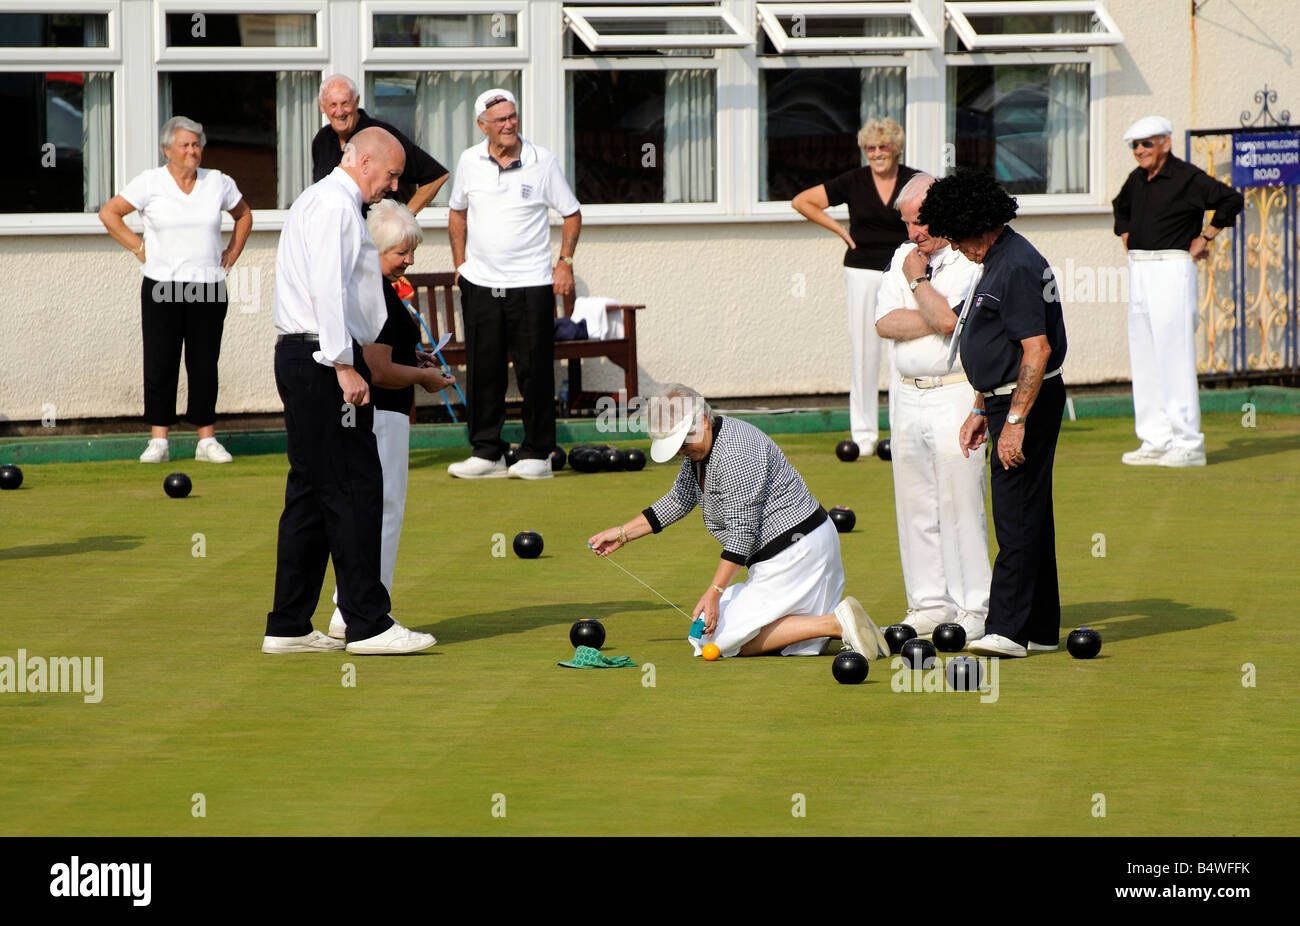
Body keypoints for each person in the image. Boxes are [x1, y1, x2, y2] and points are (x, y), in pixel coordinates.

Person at [262, 127, 436, 656]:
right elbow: (327, 288)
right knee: (356, 489)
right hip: (321, 359)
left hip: (305, 356)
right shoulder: (336, 207)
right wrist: (343, 364)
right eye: (391, 175)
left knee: (311, 496)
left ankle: (288, 625)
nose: (394, 186)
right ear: (363, 162)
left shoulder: (321, 202)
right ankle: (368, 624)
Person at [587, 385, 888, 660]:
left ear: (702, 421)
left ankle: (834, 623)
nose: (681, 452)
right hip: (799, 550)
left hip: (795, 555)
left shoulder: (735, 452)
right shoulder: (701, 450)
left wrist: (714, 592)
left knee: (715, 640)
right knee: (781, 640)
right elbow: (678, 500)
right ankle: (841, 624)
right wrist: (622, 534)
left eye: (681, 443)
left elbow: (743, 533)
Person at [918, 169, 1068, 659]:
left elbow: (1036, 349)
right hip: (1003, 399)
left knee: (1014, 515)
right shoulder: (999, 256)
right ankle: (1042, 628)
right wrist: (982, 406)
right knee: (1031, 514)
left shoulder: (1016, 264)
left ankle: (1008, 630)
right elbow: (998, 342)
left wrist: (1015, 423)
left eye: (961, 238)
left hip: (1026, 404)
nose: (960, 248)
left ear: (981, 223)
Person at [326, 200, 457, 640]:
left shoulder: (374, 288)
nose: (410, 260)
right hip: (382, 412)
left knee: (372, 510)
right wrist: (424, 376)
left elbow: (383, 355)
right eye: (402, 252)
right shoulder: (376, 293)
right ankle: (365, 615)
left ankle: (350, 612)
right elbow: (378, 369)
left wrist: (412, 356)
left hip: (377, 412)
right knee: (384, 511)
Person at [874, 174, 990, 643]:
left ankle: (974, 606)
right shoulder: (902, 255)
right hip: (905, 391)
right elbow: (885, 322)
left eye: (918, 224)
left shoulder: (969, 257)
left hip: (955, 389)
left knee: (959, 501)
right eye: (905, 225)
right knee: (915, 502)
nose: (912, 236)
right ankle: (927, 603)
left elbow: (951, 319)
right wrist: (934, 314)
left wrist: (918, 285)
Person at [445, 89, 581, 480]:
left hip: (532, 284)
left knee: (533, 370)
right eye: (501, 120)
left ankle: (538, 454)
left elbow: (571, 214)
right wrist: (460, 265)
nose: (510, 124)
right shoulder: (469, 161)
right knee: (484, 370)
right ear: (482, 126)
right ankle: (487, 452)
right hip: (481, 284)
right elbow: (457, 214)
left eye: (513, 117)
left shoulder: (542, 161)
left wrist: (565, 263)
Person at [98, 116, 251, 464]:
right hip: (161, 286)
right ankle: (159, 440)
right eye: (184, 145)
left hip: (208, 287)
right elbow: (110, 214)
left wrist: (231, 253)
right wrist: (138, 248)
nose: (192, 151)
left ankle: (206, 440)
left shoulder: (218, 182)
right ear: (168, 149)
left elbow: (244, 216)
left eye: (196, 144)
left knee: (204, 363)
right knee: (160, 362)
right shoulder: (150, 182)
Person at [1112, 115, 1244, 468]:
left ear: (1165, 143)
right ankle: (1156, 438)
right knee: (1145, 354)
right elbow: (1119, 207)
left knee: (1174, 353)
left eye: (1146, 144)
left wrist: (1207, 237)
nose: (1139, 151)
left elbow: (1231, 200)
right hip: (1139, 268)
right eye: (1135, 146)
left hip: (1172, 266)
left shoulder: (1187, 177)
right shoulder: (1137, 179)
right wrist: (1125, 233)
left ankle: (1188, 442)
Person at [793, 117, 918, 455]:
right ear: (865, 150)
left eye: (884, 147)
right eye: (871, 148)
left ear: (896, 148)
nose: (878, 153)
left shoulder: (913, 180)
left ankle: (901, 434)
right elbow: (802, 201)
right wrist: (841, 232)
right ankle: (863, 436)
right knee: (864, 351)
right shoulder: (853, 181)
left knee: (901, 352)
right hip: (860, 271)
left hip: (902, 273)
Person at [311, 74, 449, 215]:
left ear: (356, 101)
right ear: (322, 107)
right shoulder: (321, 140)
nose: (340, 112)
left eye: (345, 103)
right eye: (333, 105)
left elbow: (436, 176)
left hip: (378, 232)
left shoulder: (381, 136)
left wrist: (405, 217)